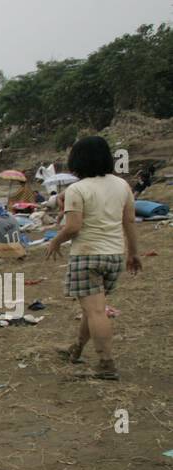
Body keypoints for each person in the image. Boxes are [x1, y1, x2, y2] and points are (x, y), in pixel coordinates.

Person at [47, 135, 141, 381]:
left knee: (97, 311)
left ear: (77, 160)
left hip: (87, 255)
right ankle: (76, 349)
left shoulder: (78, 189)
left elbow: (74, 227)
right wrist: (133, 253)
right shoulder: (122, 185)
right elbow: (129, 221)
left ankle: (106, 364)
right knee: (93, 309)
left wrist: (55, 240)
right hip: (114, 256)